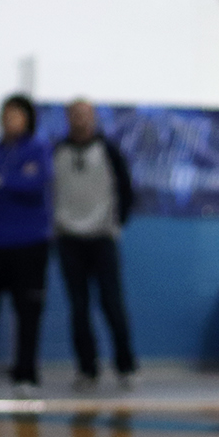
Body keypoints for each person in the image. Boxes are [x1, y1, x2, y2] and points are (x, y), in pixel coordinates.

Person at [0, 94, 53, 396]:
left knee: (28, 312)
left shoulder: (39, 150)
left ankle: (25, 375)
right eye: (7, 114)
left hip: (29, 245)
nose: (10, 119)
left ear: (28, 118)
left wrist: (0, 182)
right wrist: (13, 180)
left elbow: (36, 185)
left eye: (17, 114)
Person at [52, 100, 137, 389]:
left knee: (112, 304)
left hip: (102, 239)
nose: (80, 119)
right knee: (78, 307)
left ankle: (126, 366)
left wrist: (115, 224)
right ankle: (87, 369)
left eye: (86, 114)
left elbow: (126, 190)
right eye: (75, 114)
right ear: (67, 118)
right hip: (69, 240)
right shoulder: (57, 152)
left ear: (94, 117)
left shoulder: (109, 151)